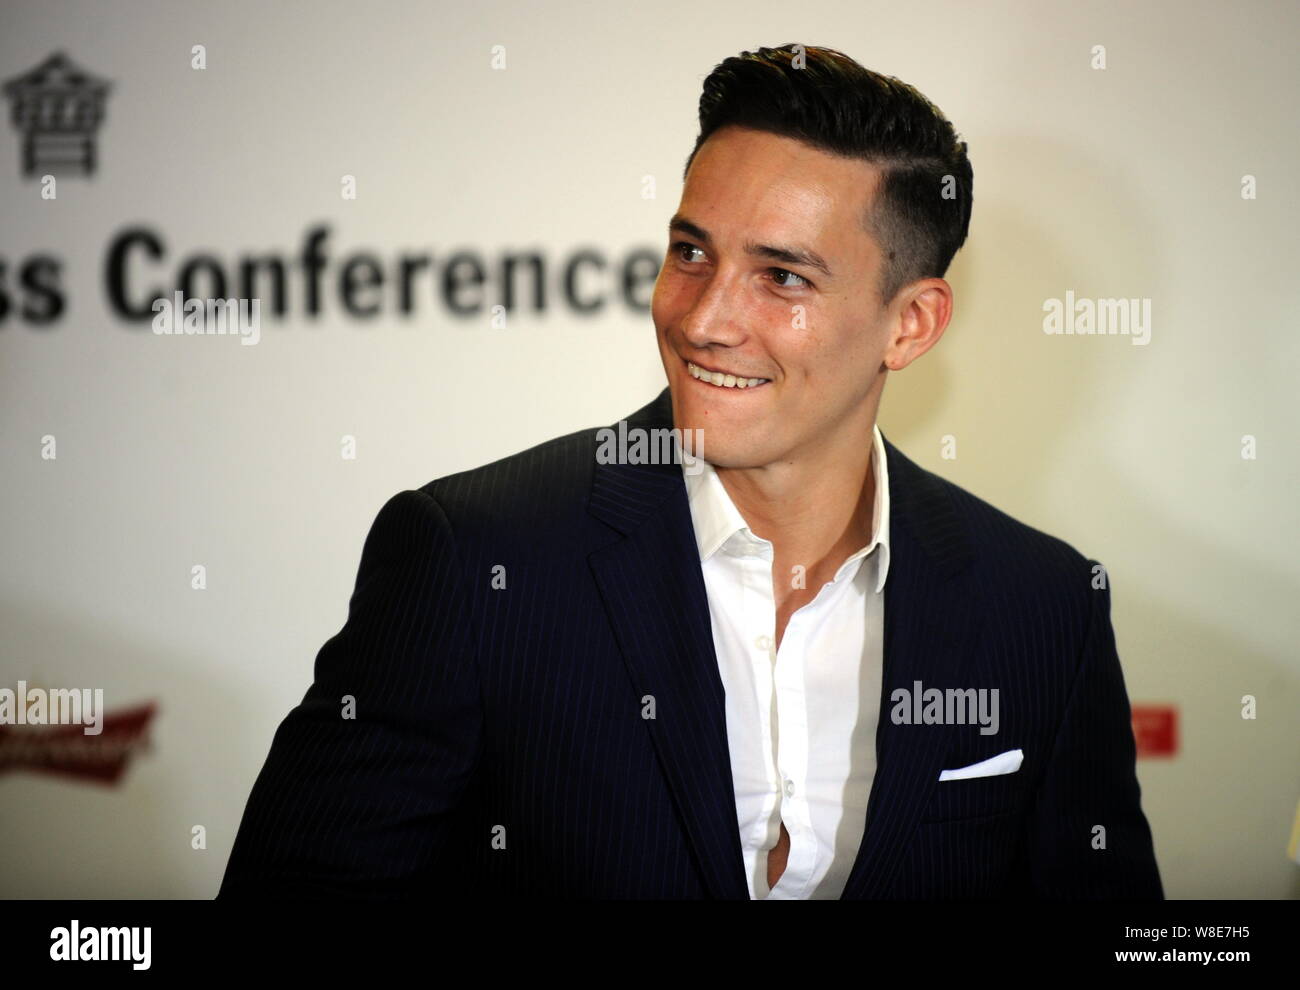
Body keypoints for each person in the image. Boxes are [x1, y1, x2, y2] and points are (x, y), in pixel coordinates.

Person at [219, 43, 1162, 899]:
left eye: (782, 276)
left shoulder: (1040, 604)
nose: (703, 318)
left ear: (910, 324)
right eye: (690, 253)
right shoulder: (477, 559)